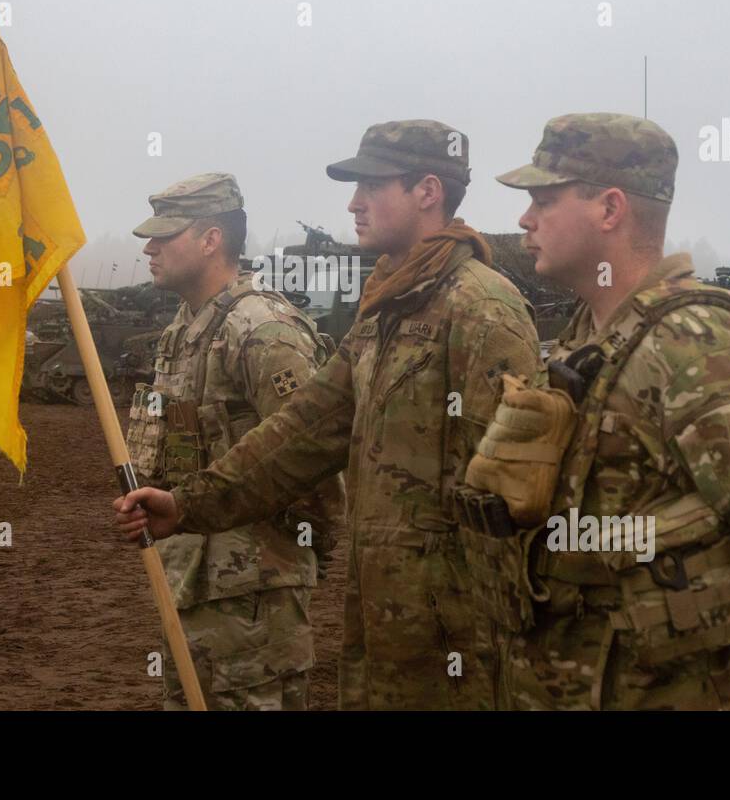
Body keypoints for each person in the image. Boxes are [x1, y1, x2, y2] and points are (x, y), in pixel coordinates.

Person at [117, 120, 542, 709]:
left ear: (427, 191)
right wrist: (189, 504)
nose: (353, 203)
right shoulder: (383, 314)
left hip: (458, 638)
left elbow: (518, 495)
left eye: (372, 186)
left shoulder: (482, 308)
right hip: (382, 620)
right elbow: (300, 432)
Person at [458, 112, 730, 709]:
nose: (525, 219)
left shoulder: (701, 346)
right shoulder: (587, 336)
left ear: (610, 209)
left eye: (544, 200)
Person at [125, 172, 344, 710]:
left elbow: (314, 458)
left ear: (211, 239)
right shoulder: (184, 328)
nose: (149, 248)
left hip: (253, 596)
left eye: (165, 235)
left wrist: (298, 560)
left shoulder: (262, 329)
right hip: (190, 582)